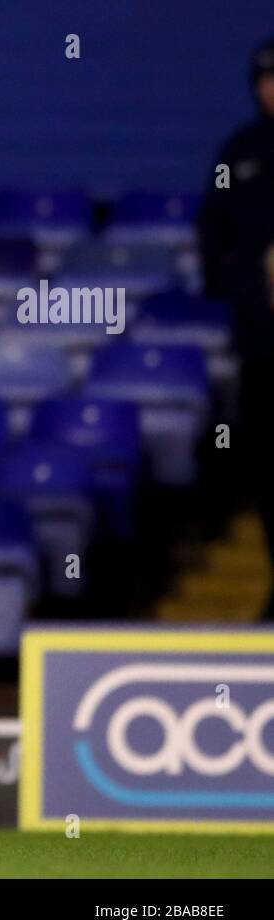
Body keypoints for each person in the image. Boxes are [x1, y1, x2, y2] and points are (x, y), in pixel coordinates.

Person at [198, 36, 274, 617]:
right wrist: (251, 286)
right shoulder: (239, 153)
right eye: (266, 78)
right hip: (262, 344)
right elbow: (213, 241)